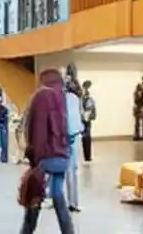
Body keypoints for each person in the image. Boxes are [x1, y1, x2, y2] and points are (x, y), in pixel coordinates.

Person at [21, 69, 75, 234]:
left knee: (35, 195)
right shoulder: (65, 98)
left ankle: (26, 231)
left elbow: (37, 131)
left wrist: (33, 158)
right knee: (58, 194)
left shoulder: (40, 97)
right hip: (63, 157)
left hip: (45, 158)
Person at [64, 77, 85, 212]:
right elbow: (76, 120)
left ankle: (52, 198)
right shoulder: (74, 99)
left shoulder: (61, 98)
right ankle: (73, 202)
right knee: (72, 170)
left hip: (62, 137)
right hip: (72, 136)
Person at [80, 80, 97, 163]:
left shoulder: (90, 99)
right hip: (83, 120)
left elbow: (93, 109)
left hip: (87, 120)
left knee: (87, 138)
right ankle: (86, 156)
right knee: (85, 138)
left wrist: (90, 115)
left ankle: (88, 156)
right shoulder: (81, 98)